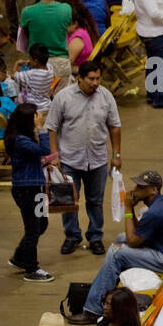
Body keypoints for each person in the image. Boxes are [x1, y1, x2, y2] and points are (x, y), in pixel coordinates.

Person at [78, 170, 163, 321]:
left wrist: (128, 208)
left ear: (154, 190)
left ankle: (93, 310)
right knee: (121, 238)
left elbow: (133, 241)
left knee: (116, 253)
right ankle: (109, 292)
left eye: (141, 187)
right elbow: (139, 232)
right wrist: (131, 209)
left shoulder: (155, 212)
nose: (135, 190)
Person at [45, 60, 120, 256]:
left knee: (96, 201)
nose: (95, 83)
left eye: (98, 78)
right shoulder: (63, 97)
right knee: (68, 201)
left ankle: (95, 236)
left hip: (97, 160)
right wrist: (54, 156)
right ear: (80, 78)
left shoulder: (106, 96)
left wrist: (116, 155)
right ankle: (72, 236)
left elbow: (114, 126)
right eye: (91, 79)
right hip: (69, 160)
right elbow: (52, 128)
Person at [4, 101, 53, 281]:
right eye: (36, 116)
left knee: (42, 223)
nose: (39, 118)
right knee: (32, 228)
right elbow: (44, 150)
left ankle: (19, 257)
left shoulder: (25, 137)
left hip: (35, 188)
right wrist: (41, 129)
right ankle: (31, 269)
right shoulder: (20, 140)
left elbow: (37, 155)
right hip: (26, 190)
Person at [19, 0, 71, 79]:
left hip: (37, 63)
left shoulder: (27, 12)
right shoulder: (66, 9)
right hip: (61, 63)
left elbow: (24, 34)